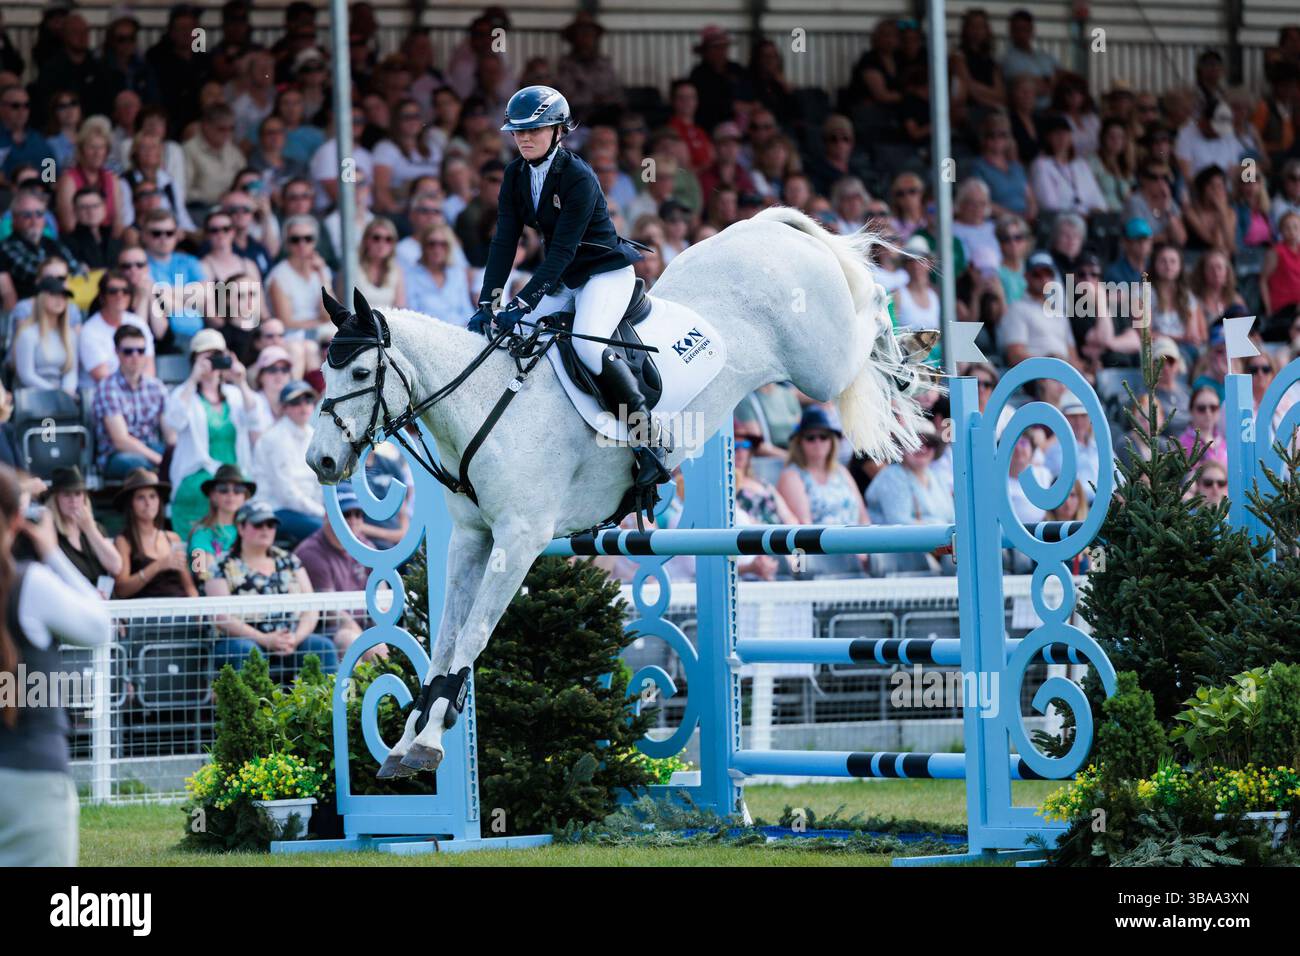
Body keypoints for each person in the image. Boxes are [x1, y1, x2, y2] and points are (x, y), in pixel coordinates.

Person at [468, 85, 666, 493]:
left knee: (588, 346)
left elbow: (561, 251)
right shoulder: (514, 175)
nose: (523, 138)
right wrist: (489, 301)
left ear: (559, 131)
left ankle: (648, 441)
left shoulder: (577, 176)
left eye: (534, 130)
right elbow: (505, 241)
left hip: (604, 274)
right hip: (565, 277)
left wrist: (521, 301)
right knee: (516, 342)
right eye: (517, 131)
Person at [0, 463, 111, 866]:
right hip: (31, 777)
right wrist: (51, 552)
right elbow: (100, 625)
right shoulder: (30, 583)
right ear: (17, 519)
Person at [205, 500, 339, 678]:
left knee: (322, 647)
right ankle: (252, 707)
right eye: (258, 524)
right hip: (240, 641)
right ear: (241, 528)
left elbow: (311, 608)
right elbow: (220, 616)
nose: (266, 529)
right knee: (248, 652)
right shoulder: (220, 564)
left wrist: (294, 638)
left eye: (271, 524)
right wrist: (265, 639)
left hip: (289, 640)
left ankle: (327, 705)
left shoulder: (290, 560)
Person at [163, 329, 261, 543]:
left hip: (234, 474)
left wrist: (241, 381)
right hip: (198, 475)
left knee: (243, 496)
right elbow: (174, 422)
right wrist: (193, 379)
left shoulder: (235, 395)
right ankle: (199, 565)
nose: (211, 362)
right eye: (205, 356)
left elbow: (255, 419)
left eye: (216, 355)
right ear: (194, 360)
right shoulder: (183, 393)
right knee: (207, 499)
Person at [775, 405, 870, 578]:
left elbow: (863, 516)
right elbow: (804, 527)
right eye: (810, 437)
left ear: (832, 440)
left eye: (823, 436)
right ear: (800, 442)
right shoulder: (792, 475)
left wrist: (862, 548)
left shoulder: (841, 471)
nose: (818, 442)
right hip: (820, 558)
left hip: (856, 554)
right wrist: (846, 552)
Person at [293, 483, 380, 661]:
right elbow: (330, 611)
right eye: (346, 514)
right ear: (328, 515)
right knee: (351, 640)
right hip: (329, 629)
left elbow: (383, 595)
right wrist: (369, 638)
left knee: (391, 643)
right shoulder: (311, 552)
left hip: (366, 625)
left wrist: (382, 632)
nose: (353, 520)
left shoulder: (367, 545)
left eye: (358, 514)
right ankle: (352, 690)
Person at [863, 418, 955, 575]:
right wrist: (943, 535)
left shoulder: (938, 477)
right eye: (914, 442)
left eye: (929, 444)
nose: (922, 448)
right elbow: (900, 524)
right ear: (902, 447)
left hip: (935, 552)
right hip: (898, 561)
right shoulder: (891, 476)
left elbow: (952, 519)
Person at [20, 466, 122, 589]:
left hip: (103, 603)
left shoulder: (95, 529)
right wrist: (26, 489)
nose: (73, 500)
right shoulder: (49, 530)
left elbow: (116, 566)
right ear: (56, 499)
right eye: (67, 494)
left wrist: (90, 529)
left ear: (84, 498)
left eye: (78, 494)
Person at [249, 380, 324, 546]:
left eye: (308, 400)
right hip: (275, 510)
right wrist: (322, 512)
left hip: (307, 510)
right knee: (326, 530)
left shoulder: (314, 435)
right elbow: (287, 493)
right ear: (284, 408)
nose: (303, 406)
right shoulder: (275, 439)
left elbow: (320, 482)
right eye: (295, 402)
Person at [92, 324, 169, 480]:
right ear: (117, 352)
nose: (135, 356)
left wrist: (176, 454)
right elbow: (121, 441)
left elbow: (170, 434)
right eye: (128, 351)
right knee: (137, 464)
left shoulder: (156, 387)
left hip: (151, 448)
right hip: (116, 455)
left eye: (140, 351)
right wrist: (160, 460)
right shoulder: (107, 388)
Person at [110, 468, 196, 599]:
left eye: (152, 496)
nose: (148, 503)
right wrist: (158, 565)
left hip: (181, 610)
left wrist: (199, 614)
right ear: (130, 504)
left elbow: (189, 586)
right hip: (146, 614)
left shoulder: (173, 538)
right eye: (140, 497)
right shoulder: (124, 541)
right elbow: (121, 589)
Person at [79, 269, 154, 390]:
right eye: (113, 291)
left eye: (125, 291)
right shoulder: (89, 331)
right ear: (102, 297)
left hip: (138, 392)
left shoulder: (138, 323)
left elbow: (149, 369)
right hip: (103, 396)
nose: (120, 295)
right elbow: (103, 377)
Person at [187, 463, 254, 585]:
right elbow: (202, 573)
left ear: (245, 496)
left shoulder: (252, 529)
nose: (231, 494)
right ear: (212, 495)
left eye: (238, 489)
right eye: (223, 489)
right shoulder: (200, 533)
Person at [12, 275, 77, 394]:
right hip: (33, 399)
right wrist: (56, 392)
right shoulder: (27, 334)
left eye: (64, 296)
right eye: (54, 294)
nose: (60, 300)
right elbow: (26, 375)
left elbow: (71, 371)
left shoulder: (70, 334)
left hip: (62, 400)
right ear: (41, 298)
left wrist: (68, 391)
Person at [406, 223, 473, 320]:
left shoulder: (458, 274)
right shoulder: (411, 275)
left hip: (458, 330)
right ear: (424, 246)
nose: (437, 249)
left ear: (449, 247)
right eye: (432, 244)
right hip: (425, 331)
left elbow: (467, 311)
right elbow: (411, 312)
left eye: (443, 244)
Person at [355, 217, 406, 309]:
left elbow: (400, 307)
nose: (382, 243)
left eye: (388, 239)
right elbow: (345, 304)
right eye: (376, 238)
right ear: (366, 240)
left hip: (388, 322)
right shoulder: (353, 268)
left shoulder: (396, 270)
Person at [1178, 384, 1228, 467]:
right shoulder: (1183, 443)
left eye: (1213, 407)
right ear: (1191, 410)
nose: (1208, 413)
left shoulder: (1222, 441)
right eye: (1201, 408)